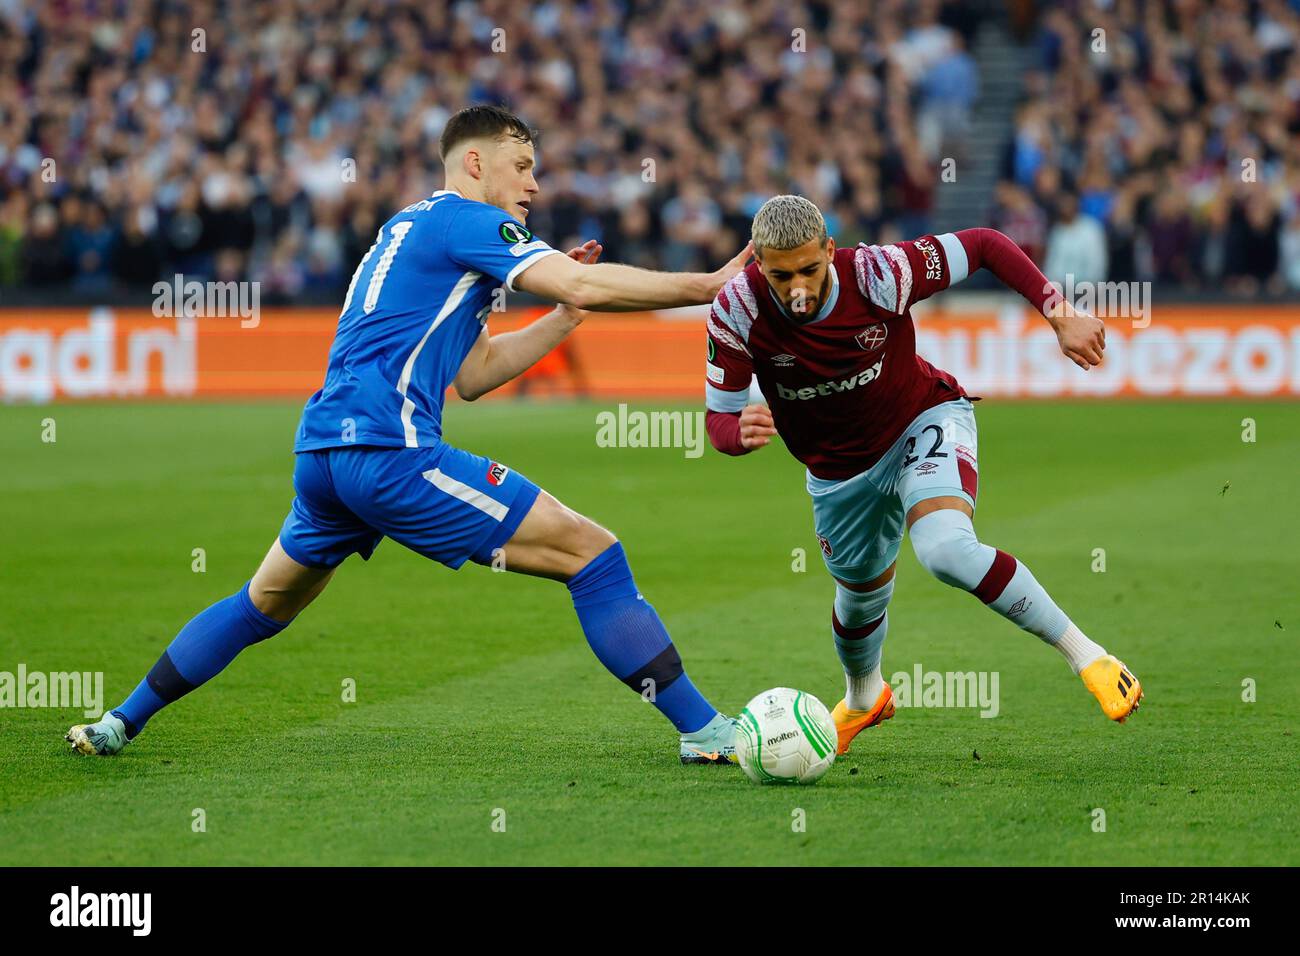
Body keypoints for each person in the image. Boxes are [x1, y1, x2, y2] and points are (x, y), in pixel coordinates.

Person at [67, 105, 752, 766]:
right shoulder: (468, 220)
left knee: (260, 604)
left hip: (323, 457)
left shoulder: (403, 231)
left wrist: (564, 316)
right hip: (392, 455)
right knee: (595, 558)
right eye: (522, 166)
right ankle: (706, 731)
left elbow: (477, 374)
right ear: (476, 163)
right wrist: (710, 284)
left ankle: (118, 721)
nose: (534, 184)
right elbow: (582, 277)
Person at [703, 194, 1141, 756]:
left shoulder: (877, 273)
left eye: (810, 270)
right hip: (838, 473)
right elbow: (719, 418)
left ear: (830, 251)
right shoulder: (736, 310)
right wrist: (736, 437)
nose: (798, 289)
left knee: (945, 550)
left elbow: (984, 244)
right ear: (756, 263)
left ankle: (1091, 657)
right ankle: (865, 699)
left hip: (920, 421)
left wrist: (1058, 312)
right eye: (781, 274)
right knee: (858, 601)